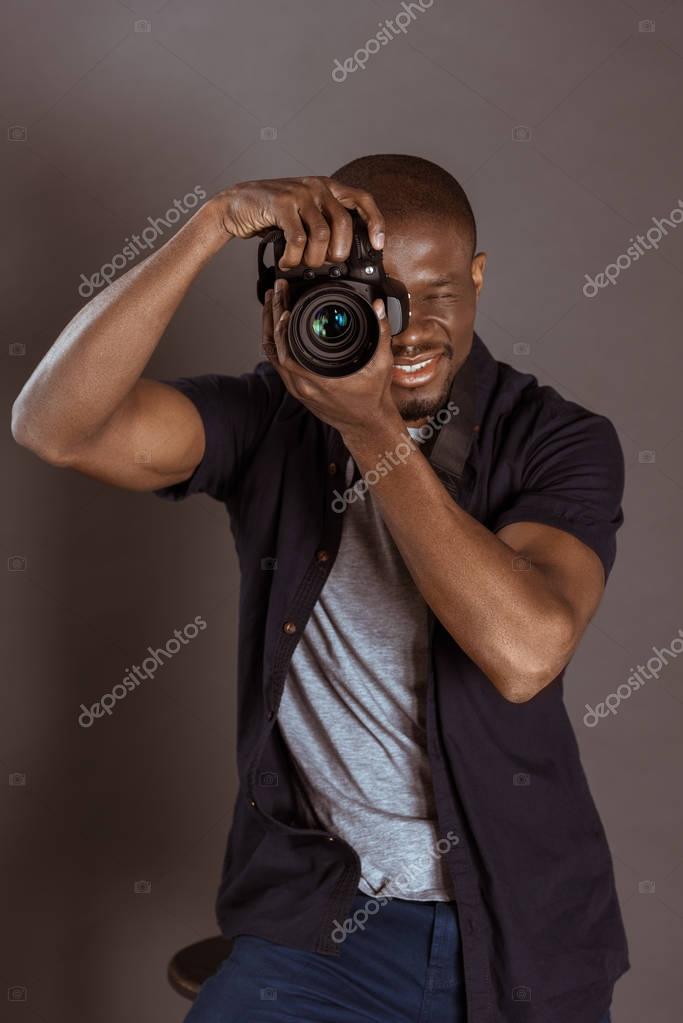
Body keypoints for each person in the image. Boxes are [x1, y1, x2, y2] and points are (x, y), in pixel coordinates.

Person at [11, 154, 628, 1022]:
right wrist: (209, 226)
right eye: (379, 299)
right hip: (325, 932)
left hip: (519, 927)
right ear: (300, 300)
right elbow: (54, 426)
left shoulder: (556, 440)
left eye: (439, 294)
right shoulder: (273, 420)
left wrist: (370, 430)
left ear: (478, 279)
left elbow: (524, 651)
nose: (410, 331)